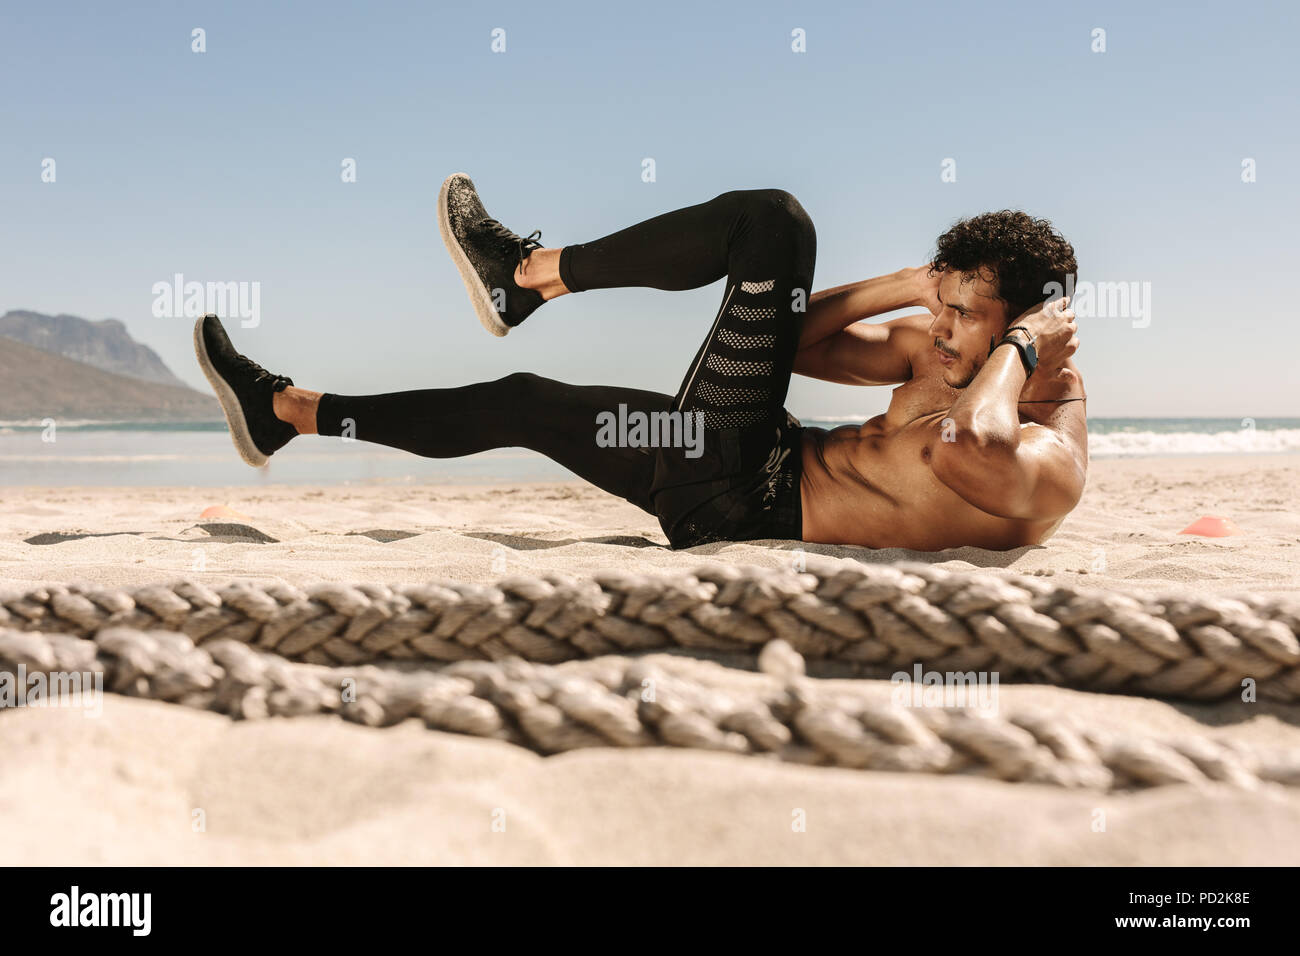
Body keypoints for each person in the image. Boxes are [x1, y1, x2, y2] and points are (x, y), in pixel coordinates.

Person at [195, 173, 1086, 551]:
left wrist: (1015, 347)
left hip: (744, 498)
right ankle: (286, 413)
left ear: (1037, 325)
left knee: (776, 223)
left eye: (964, 315)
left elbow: (973, 444)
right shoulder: (939, 355)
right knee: (522, 400)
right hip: (722, 455)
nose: (940, 328)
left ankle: (528, 276)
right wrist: (908, 284)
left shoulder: (1050, 459)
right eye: (944, 306)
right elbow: (796, 339)